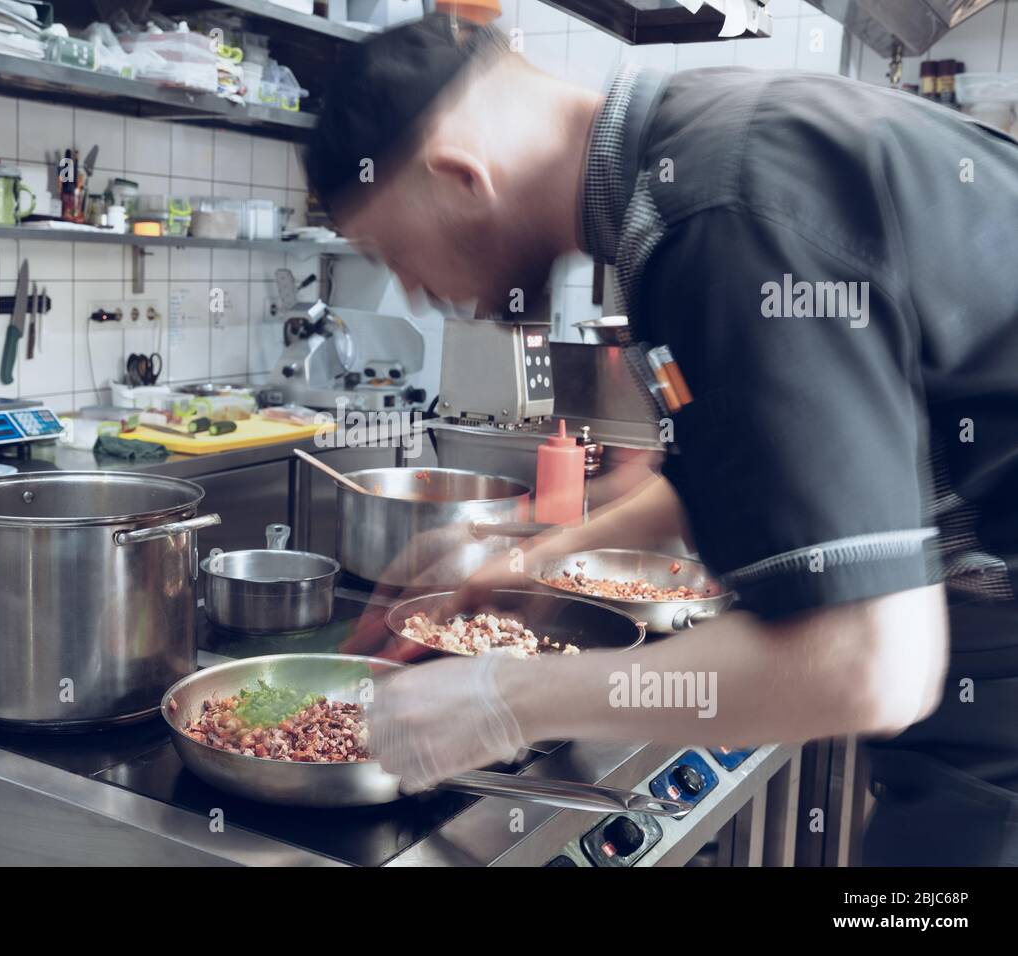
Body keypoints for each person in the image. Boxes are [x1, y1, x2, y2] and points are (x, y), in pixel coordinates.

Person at [303, 15, 1018, 865]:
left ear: (461, 176)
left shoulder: (715, 219)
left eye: (393, 252)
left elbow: (868, 666)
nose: (415, 296)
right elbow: (768, 463)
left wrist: (505, 700)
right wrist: (535, 562)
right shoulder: (689, 169)